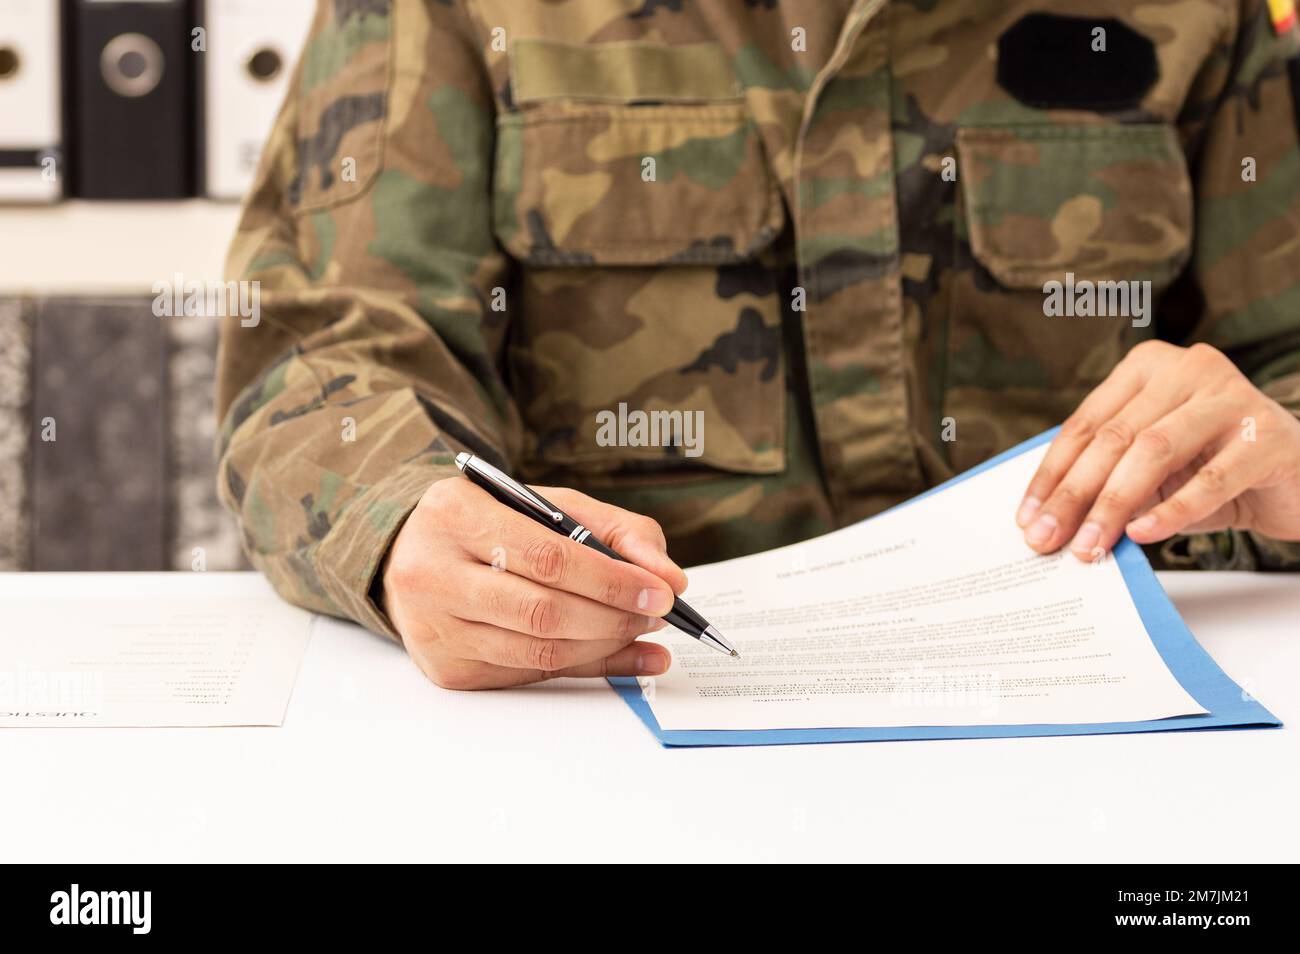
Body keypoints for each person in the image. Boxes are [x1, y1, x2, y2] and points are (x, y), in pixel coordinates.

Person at [216, 0, 1300, 690]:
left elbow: (1278, 363)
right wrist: (402, 520)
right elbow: (321, 353)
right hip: (617, 727)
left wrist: (1284, 450)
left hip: (1101, 738)